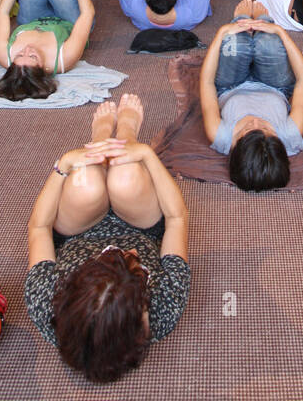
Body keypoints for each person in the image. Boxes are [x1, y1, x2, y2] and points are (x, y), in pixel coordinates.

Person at [25, 94, 190, 382]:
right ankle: (126, 134)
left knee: (86, 180)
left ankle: (99, 139)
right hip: (140, 225)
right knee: (124, 175)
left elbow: (39, 227)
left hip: (78, 229)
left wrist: (62, 165)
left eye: (113, 257)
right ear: (141, 318)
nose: (132, 254)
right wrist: (148, 156)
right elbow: (177, 219)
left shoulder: (47, 306)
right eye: (136, 267)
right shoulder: (162, 310)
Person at [199, 1, 303, 189]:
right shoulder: (290, 133)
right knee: (268, 42)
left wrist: (220, 33)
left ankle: (242, 20)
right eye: (267, 129)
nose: (256, 121)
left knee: (234, 40)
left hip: (230, 86)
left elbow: (207, 83)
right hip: (275, 86)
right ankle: (261, 22)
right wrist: (280, 32)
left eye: (246, 130)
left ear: (235, 147)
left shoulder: (220, 135)